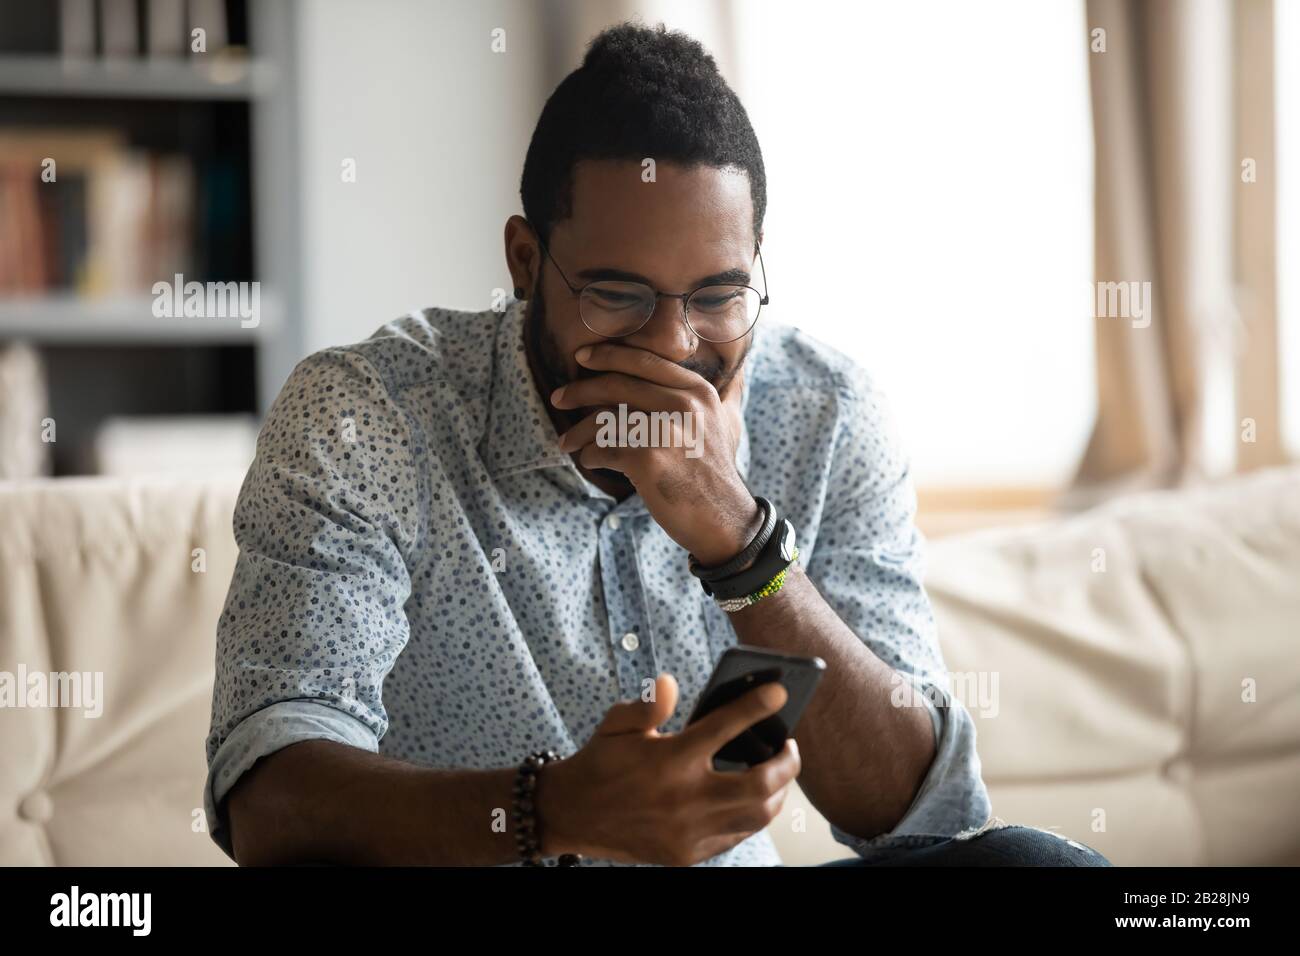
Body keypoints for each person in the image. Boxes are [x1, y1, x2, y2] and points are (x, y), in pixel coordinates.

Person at [204, 22, 1109, 868]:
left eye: (717, 295)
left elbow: (924, 819)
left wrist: (741, 540)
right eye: (619, 294)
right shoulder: (370, 416)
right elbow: (268, 796)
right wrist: (550, 808)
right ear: (525, 263)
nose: (674, 346)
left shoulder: (827, 414)